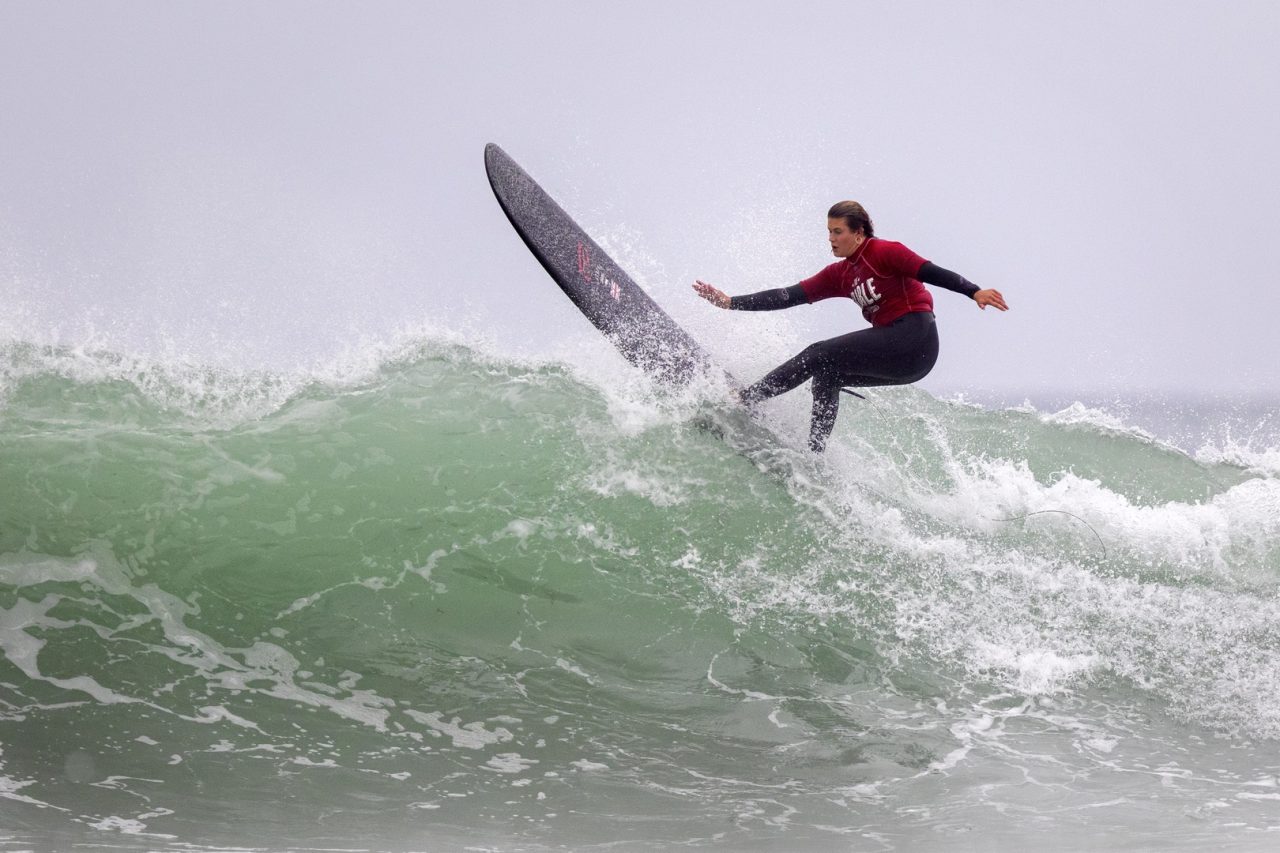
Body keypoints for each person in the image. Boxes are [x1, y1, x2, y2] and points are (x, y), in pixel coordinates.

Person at [693, 201, 1008, 452]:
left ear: (859, 233)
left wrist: (973, 291)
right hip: (902, 360)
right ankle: (814, 454)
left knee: (818, 352)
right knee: (828, 375)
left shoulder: (885, 252)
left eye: (838, 231)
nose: (831, 239)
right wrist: (730, 302)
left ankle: (745, 398)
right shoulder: (840, 274)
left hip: (915, 338)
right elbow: (789, 296)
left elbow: (931, 271)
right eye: (829, 232)